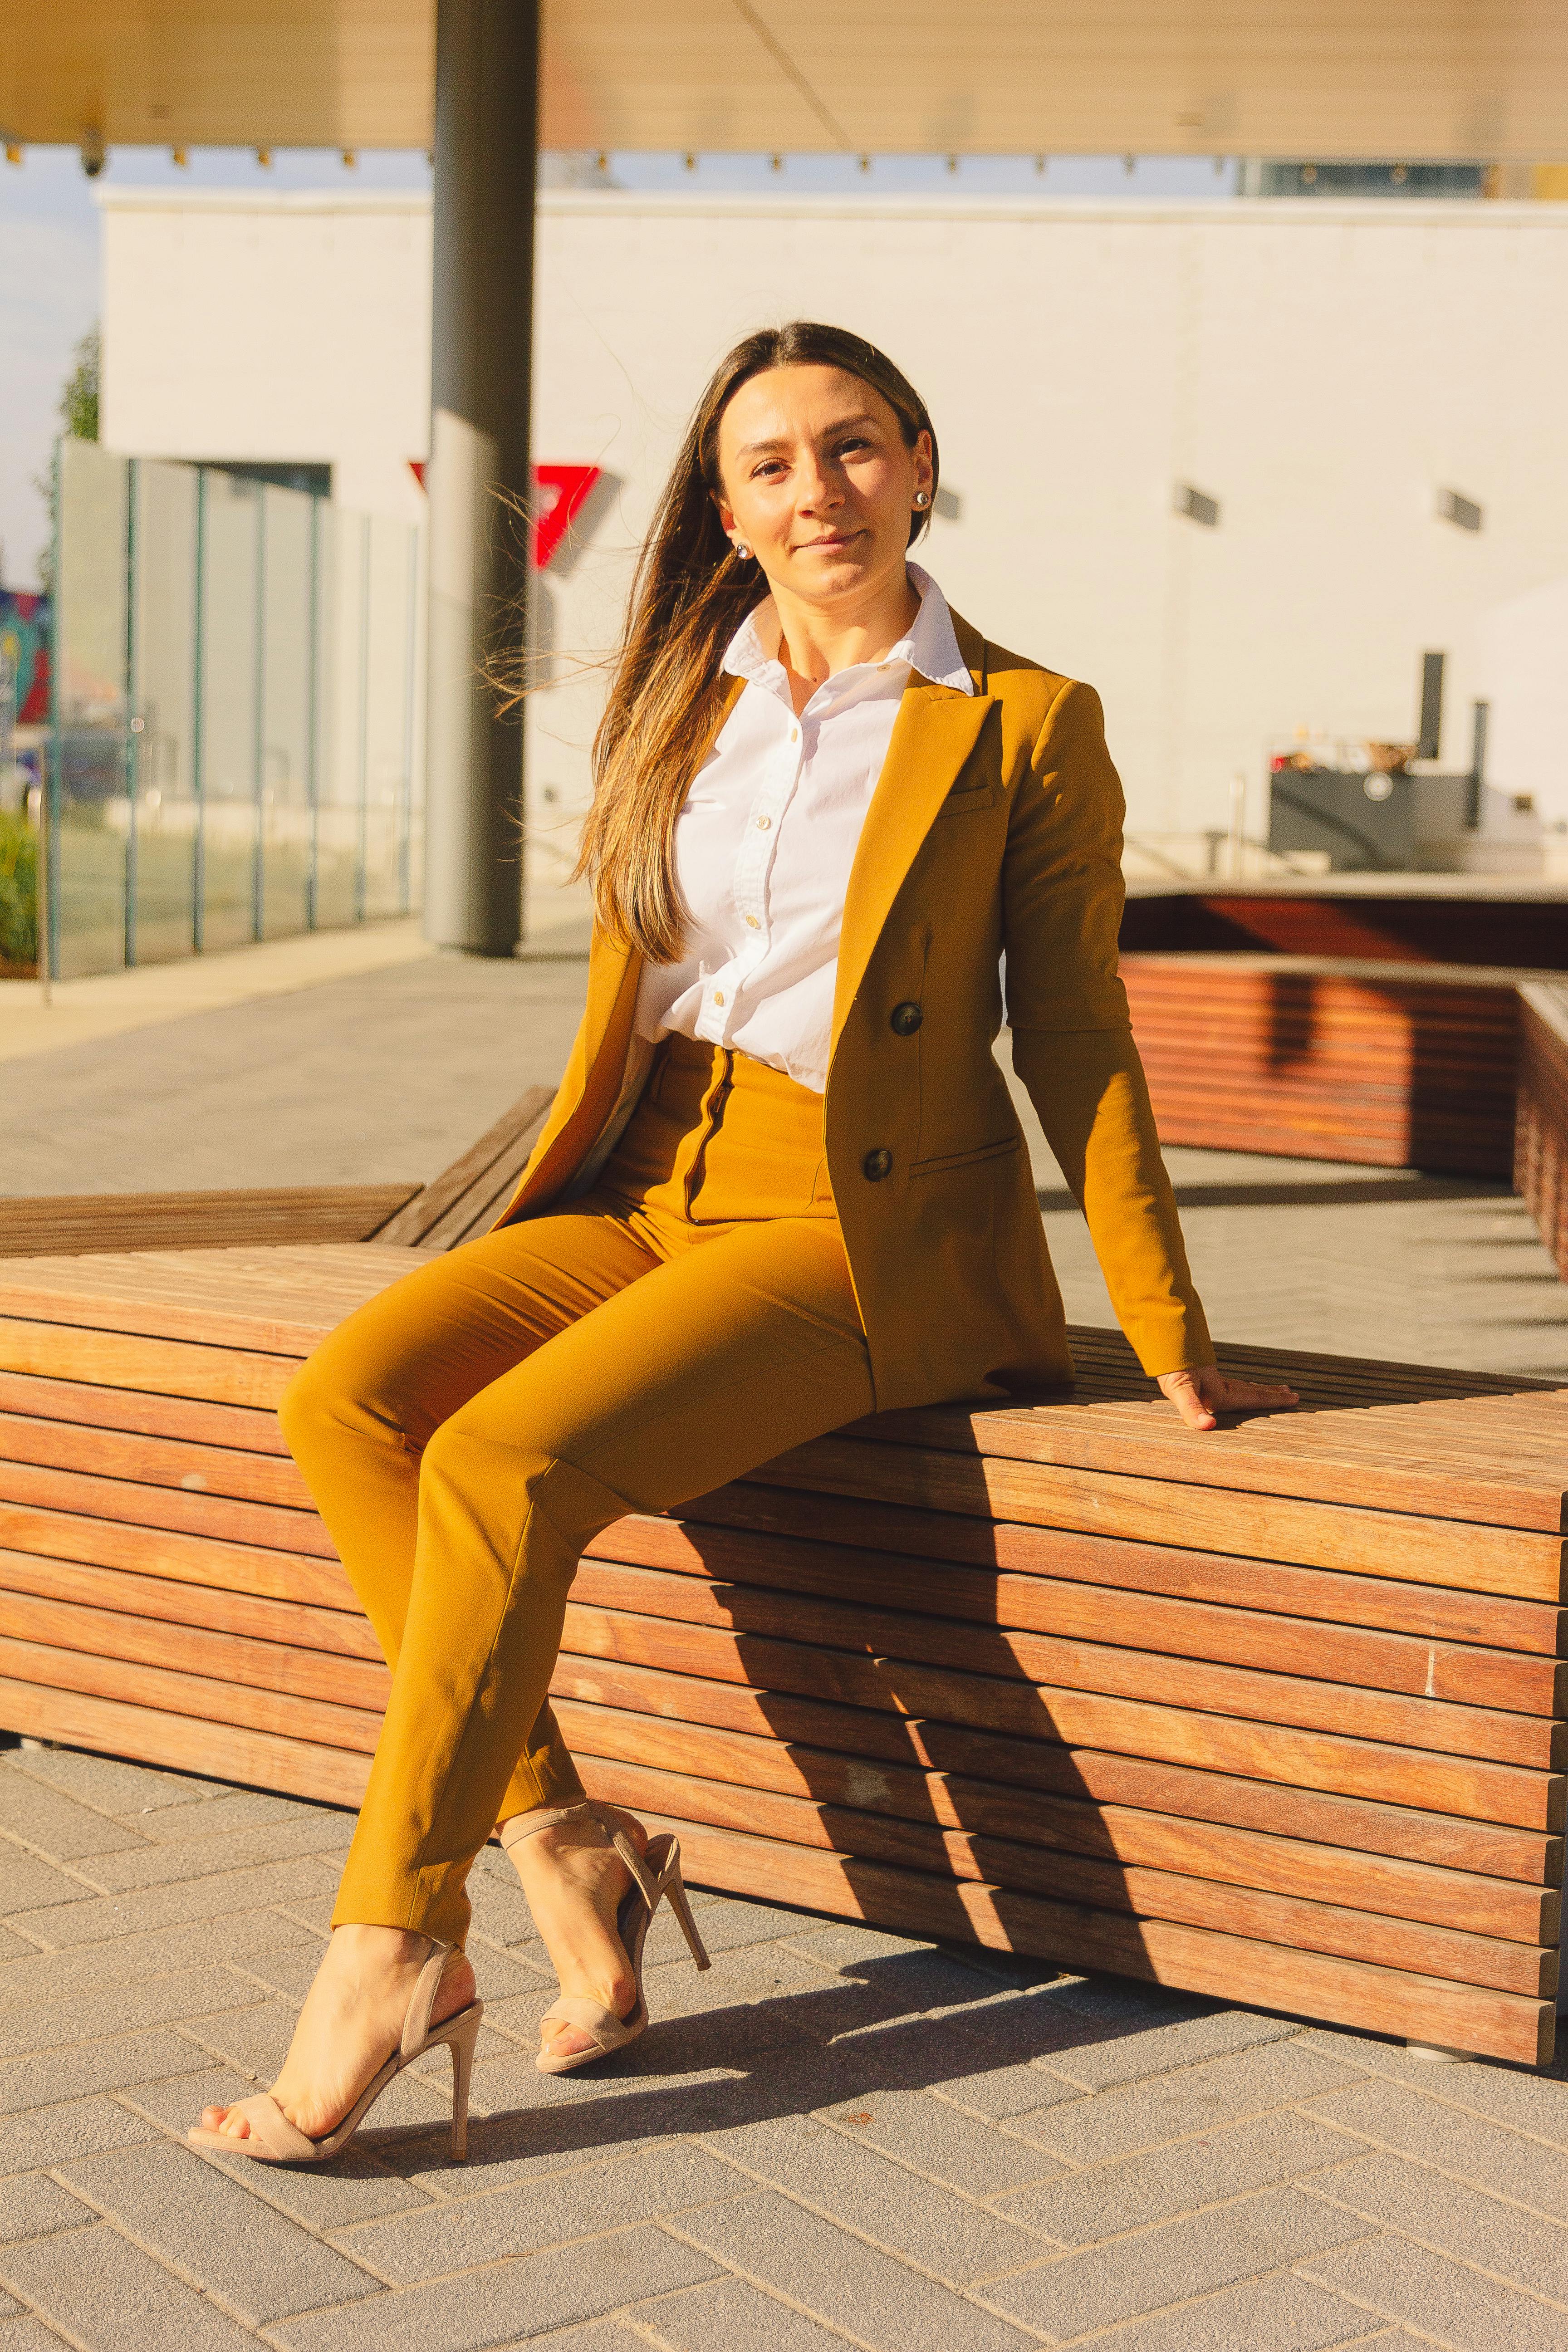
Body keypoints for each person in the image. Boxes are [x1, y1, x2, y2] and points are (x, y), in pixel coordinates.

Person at [190, 320, 1295, 2164]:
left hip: (859, 1226)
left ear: (923, 463)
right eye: (772, 465)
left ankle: (392, 1949)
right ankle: (569, 1842)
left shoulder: (1024, 722)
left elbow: (1079, 1031)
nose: (819, 492)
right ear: (727, 506)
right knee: (348, 1401)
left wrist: (1165, 1317)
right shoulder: (680, 698)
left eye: (853, 449)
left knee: (500, 1459)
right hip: (646, 1185)